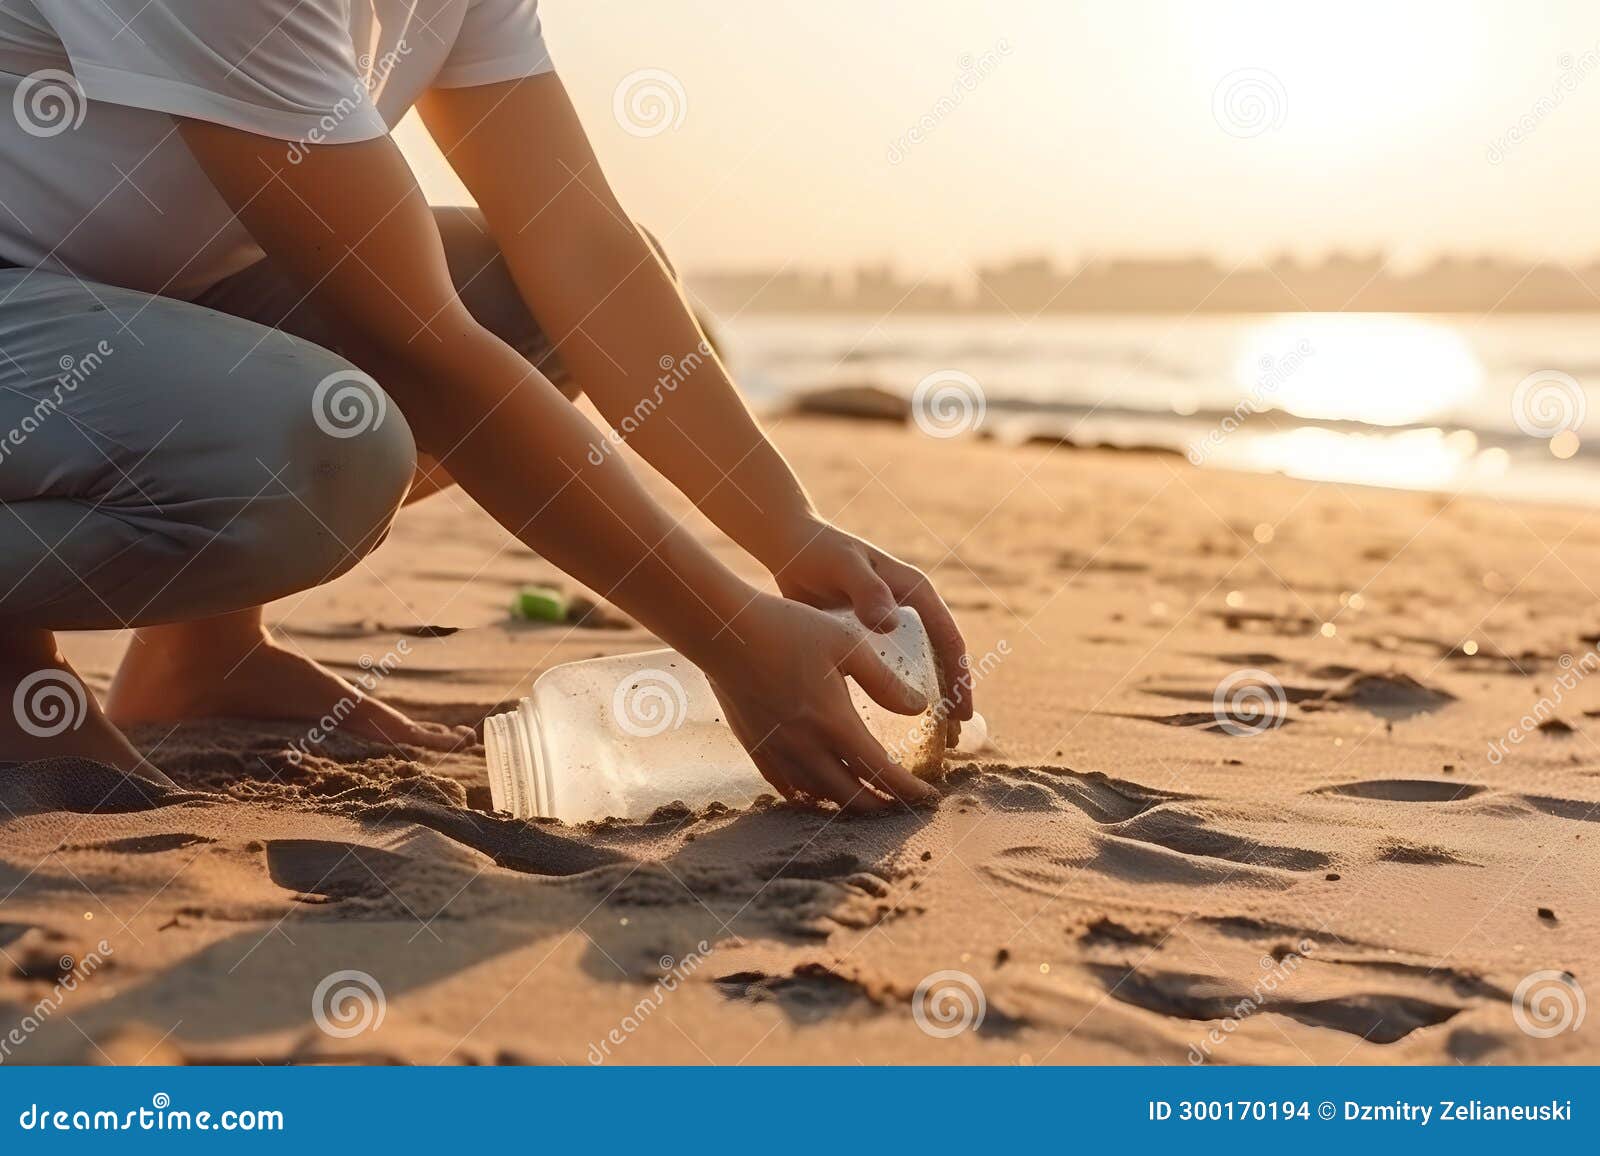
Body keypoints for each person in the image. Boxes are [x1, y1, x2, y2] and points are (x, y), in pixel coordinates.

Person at [0, 0, 970, 813]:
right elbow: (416, 347)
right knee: (324, 448)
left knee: (519, 295)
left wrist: (786, 530)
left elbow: (577, 243)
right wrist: (729, 635)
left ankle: (204, 659)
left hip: (108, 298)